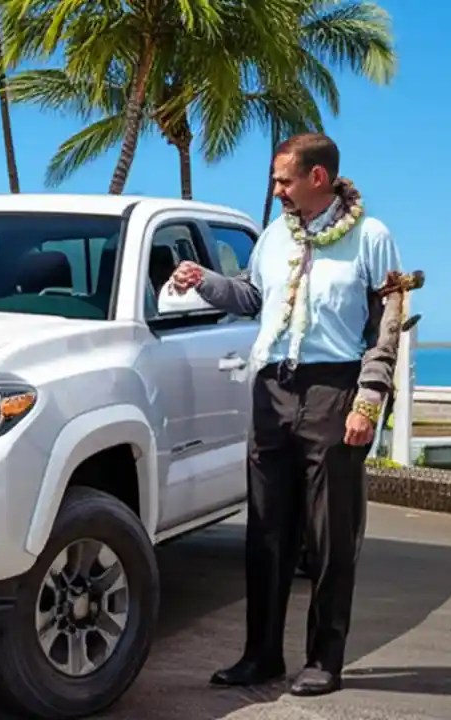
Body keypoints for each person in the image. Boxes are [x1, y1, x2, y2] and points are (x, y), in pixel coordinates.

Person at [168, 133, 403, 697]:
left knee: (329, 536)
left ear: (317, 178)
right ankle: (261, 656)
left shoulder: (371, 239)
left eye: (284, 180)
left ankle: (324, 658)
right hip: (272, 388)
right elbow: (252, 297)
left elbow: (387, 327)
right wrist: (204, 281)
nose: (275, 190)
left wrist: (368, 402)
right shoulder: (275, 236)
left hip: (335, 390)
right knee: (267, 530)